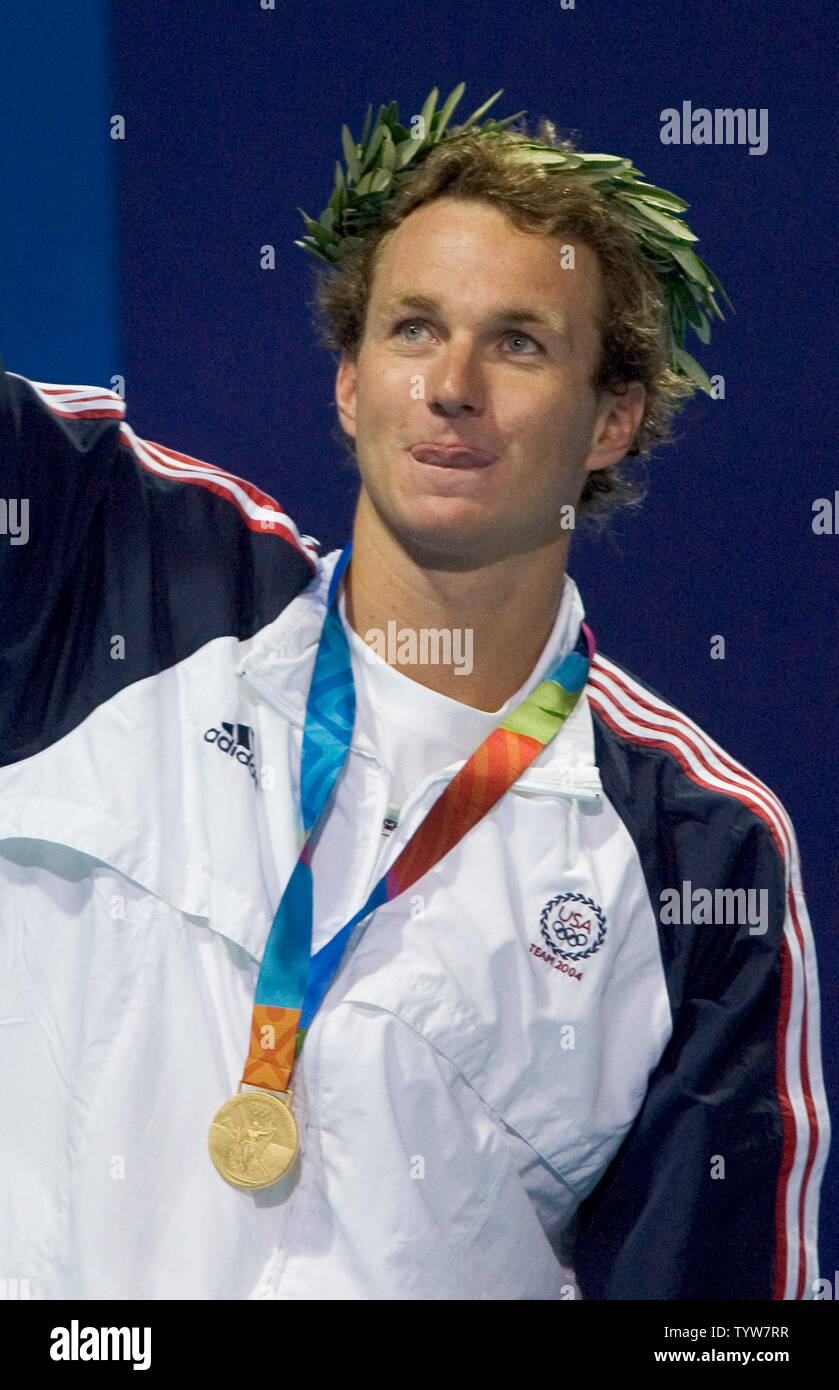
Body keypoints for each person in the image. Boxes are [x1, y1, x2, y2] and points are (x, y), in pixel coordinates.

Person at [0, 86, 828, 1301]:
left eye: (518, 342)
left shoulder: (694, 851)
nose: (451, 384)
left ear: (612, 420)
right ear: (347, 382)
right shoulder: (106, 560)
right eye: (411, 329)